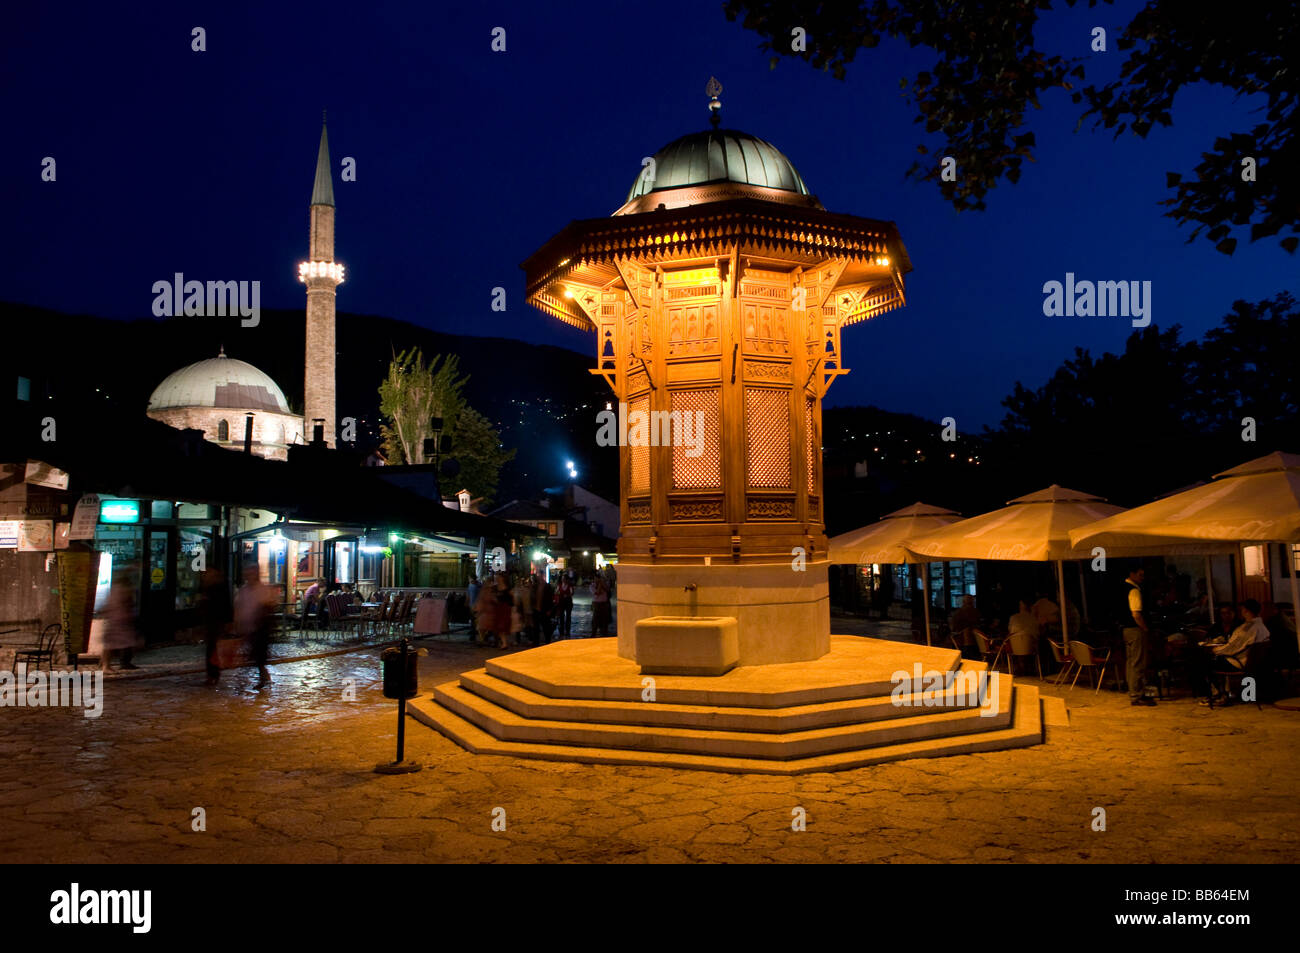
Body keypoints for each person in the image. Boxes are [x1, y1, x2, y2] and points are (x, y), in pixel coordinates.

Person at [1191, 599, 1269, 705]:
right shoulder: (1260, 626)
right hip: (1250, 661)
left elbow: (1232, 648)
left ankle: (1219, 694)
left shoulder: (1248, 628)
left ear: (1246, 611)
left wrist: (1214, 650)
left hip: (1239, 661)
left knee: (1206, 662)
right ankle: (1223, 692)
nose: (1241, 612)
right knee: (1210, 660)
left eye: (1242, 610)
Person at [234, 562, 277, 686]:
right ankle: (261, 676)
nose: (249, 575)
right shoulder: (243, 591)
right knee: (251, 655)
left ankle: (260, 677)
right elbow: (239, 608)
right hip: (247, 627)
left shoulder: (263, 590)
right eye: (247, 573)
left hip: (259, 628)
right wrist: (237, 623)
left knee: (257, 654)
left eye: (251, 573)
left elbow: (269, 608)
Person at [1121, 567, 1156, 706]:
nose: (1142, 577)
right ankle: (1137, 694)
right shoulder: (1133, 590)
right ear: (1132, 574)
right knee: (1138, 662)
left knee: (1131, 662)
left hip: (1125, 629)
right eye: (1140, 574)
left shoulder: (1121, 588)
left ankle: (1133, 692)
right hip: (1135, 629)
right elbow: (1136, 614)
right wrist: (1145, 628)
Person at [200, 567, 232, 685]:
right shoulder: (207, 587)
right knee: (211, 649)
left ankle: (213, 674)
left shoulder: (219, 587)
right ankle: (212, 673)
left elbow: (225, 605)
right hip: (210, 622)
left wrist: (227, 622)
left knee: (212, 649)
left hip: (216, 622)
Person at [100, 575, 139, 671]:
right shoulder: (122, 591)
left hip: (117, 621)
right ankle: (111, 664)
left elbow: (108, 605)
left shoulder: (115, 591)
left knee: (112, 644)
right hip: (120, 621)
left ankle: (107, 664)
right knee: (114, 644)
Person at [1007, 598, 1040, 674]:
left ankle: (1020, 666)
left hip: (1016, 647)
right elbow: (1037, 633)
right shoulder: (1033, 618)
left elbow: (1010, 630)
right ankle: (1029, 666)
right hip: (1030, 647)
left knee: (1015, 642)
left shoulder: (1013, 618)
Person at [533, 573, 554, 645]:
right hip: (536, 609)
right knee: (536, 627)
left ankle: (547, 641)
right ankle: (536, 642)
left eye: (541, 576)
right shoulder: (536, 586)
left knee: (546, 627)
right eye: (538, 576)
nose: (539, 578)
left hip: (544, 609)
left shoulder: (548, 586)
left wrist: (549, 609)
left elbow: (550, 598)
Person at [590, 572, 612, 638]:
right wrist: (600, 584)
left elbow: (608, 590)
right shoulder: (592, 586)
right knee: (595, 619)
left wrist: (602, 584)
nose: (597, 580)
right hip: (596, 604)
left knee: (604, 619)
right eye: (596, 578)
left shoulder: (604, 584)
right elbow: (597, 593)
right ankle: (594, 633)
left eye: (598, 578)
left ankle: (604, 633)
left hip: (604, 603)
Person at [554, 573, 574, 639]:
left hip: (568, 603)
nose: (563, 580)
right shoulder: (559, 585)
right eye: (562, 579)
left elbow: (572, 593)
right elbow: (556, 592)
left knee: (568, 617)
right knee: (561, 617)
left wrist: (567, 595)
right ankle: (561, 632)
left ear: (567, 580)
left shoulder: (570, 586)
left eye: (564, 579)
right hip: (561, 603)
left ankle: (567, 631)